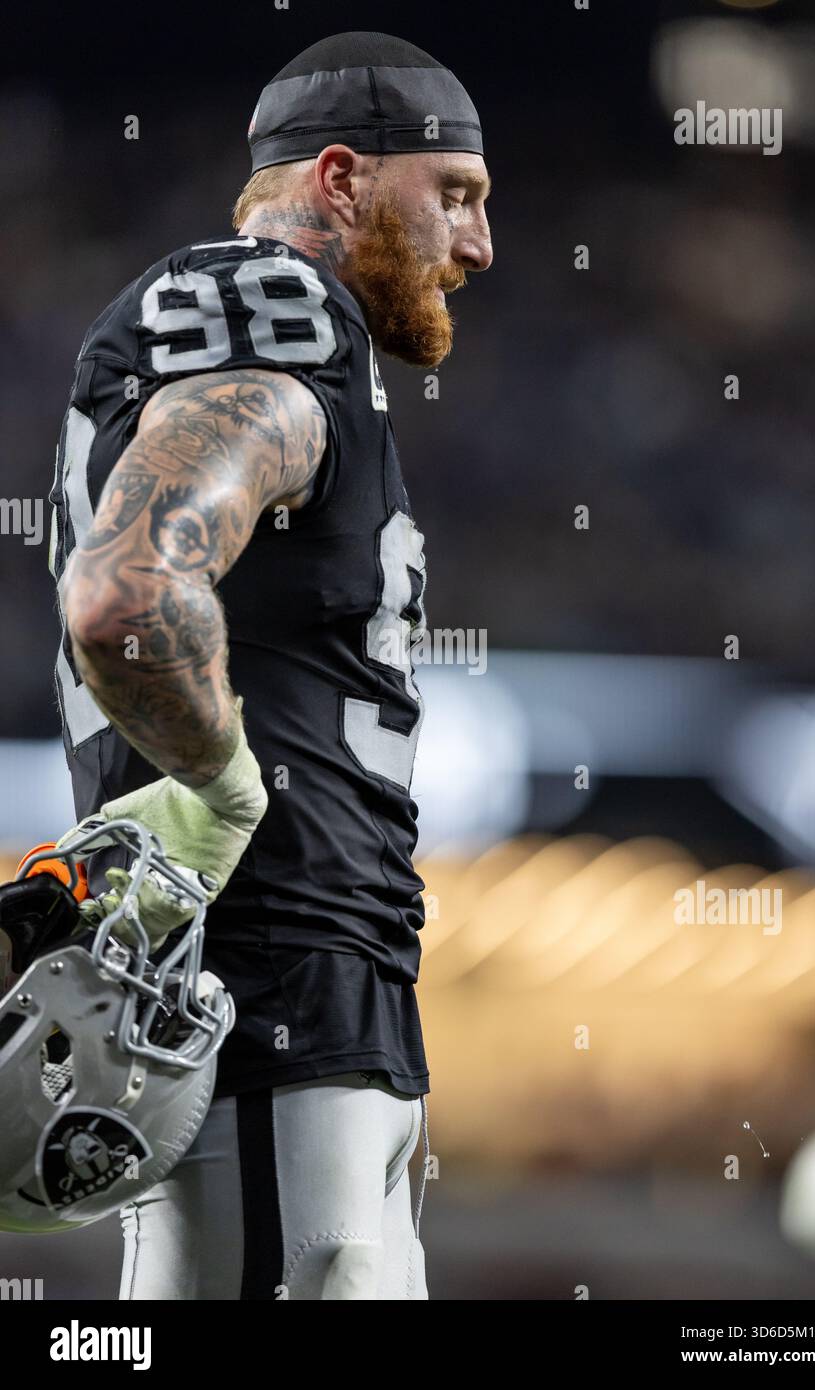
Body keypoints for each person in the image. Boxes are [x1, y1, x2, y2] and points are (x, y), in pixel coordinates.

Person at [51, 30, 493, 1299]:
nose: (476, 248)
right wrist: (221, 786)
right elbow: (128, 590)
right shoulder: (273, 302)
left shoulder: (314, 340)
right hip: (263, 983)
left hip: (322, 986)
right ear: (341, 179)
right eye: (453, 195)